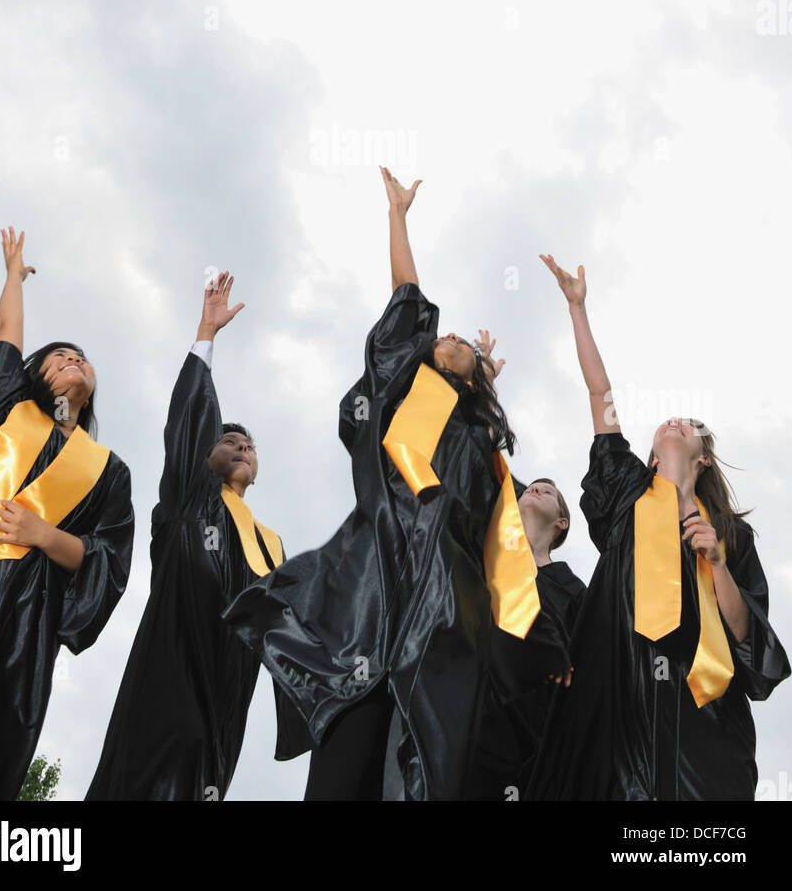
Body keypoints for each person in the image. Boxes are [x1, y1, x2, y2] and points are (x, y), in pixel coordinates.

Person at [226, 171, 570, 801]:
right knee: (347, 746)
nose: (447, 339)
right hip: (372, 582)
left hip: (444, 604)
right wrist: (397, 217)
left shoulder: (491, 455)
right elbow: (406, 299)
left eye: (460, 342)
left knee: (417, 762)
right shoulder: (408, 395)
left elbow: (508, 556)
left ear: (482, 374)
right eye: (441, 338)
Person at [527, 254, 790, 801]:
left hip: (704, 725)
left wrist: (716, 561)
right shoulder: (628, 495)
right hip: (622, 713)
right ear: (649, 455)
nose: (679, 420)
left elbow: (746, 638)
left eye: (693, 424)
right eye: (671, 419)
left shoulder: (731, 538)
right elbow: (601, 398)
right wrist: (578, 308)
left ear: (703, 459)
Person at [86, 271, 308, 801]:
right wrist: (206, 333)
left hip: (228, 689)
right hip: (174, 661)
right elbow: (187, 422)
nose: (239, 447)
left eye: (248, 445)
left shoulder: (273, 544)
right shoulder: (191, 496)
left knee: (204, 776)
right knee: (151, 769)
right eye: (227, 439)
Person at [0, 228, 134, 801]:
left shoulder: (107, 472)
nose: (74, 360)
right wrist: (14, 276)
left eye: (83, 359)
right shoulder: (9, 409)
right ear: (36, 374)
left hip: (24, 621)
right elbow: (6, 336)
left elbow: (109, 562)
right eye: (61, 355)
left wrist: (45, 535)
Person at [468, 467, 586, 801]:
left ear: (562, 522)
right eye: (528, 489)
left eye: (547, 492)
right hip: (473, 723)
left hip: (537, 739)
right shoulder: (482, 561)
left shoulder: (575, 592)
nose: (535, 490)